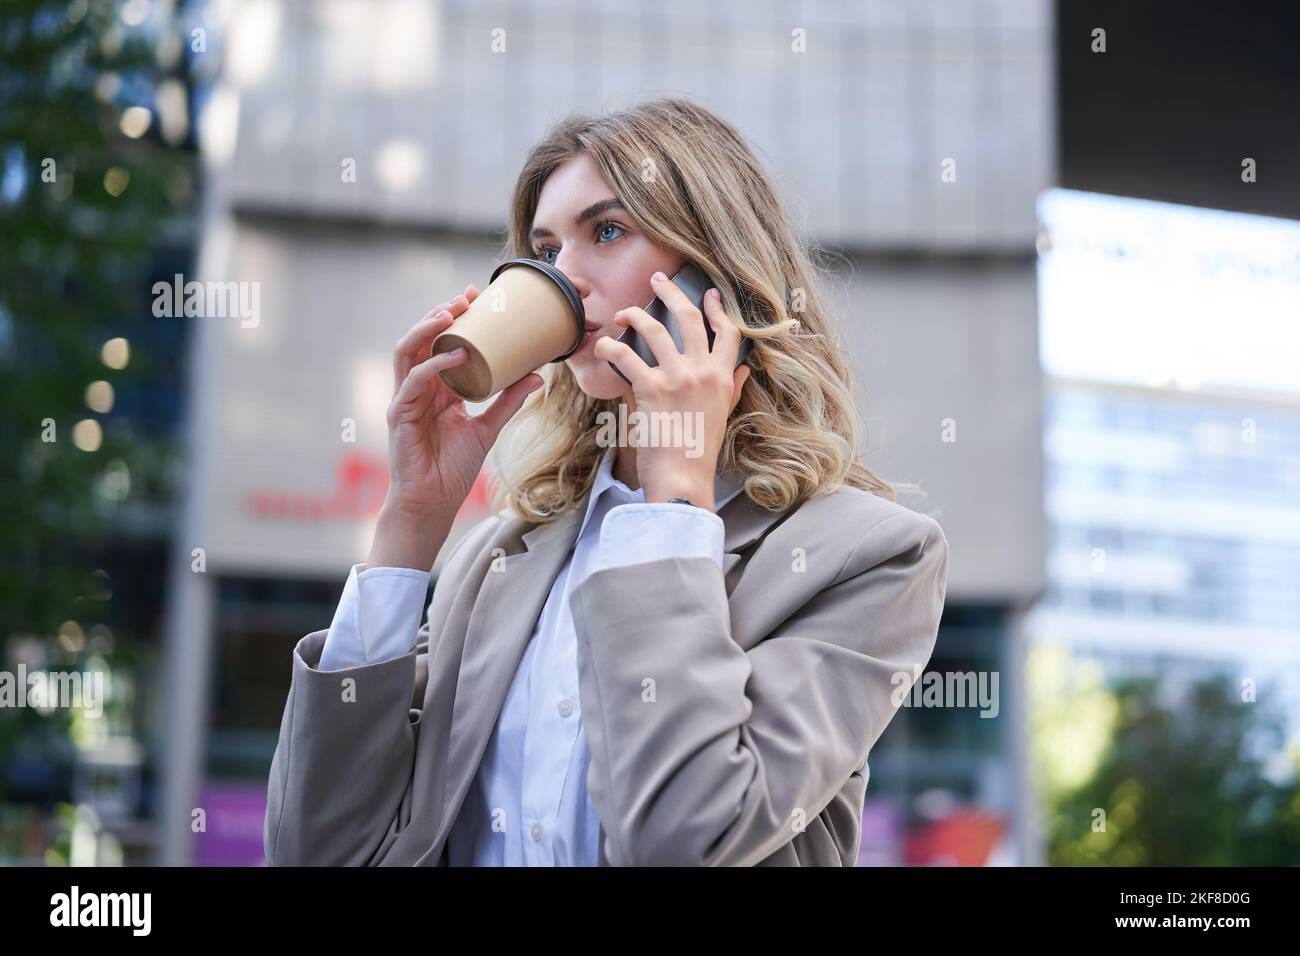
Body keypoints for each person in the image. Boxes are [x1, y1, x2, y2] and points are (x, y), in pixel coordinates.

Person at [263, 95, 949, 867]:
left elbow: (686, 838)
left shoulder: (870, 556)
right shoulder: (489, 565)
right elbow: (313, 853)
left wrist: (677, 494)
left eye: (608, 231)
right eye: (546, 249)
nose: (564, 278)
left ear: (712, 272)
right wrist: (409, 528)